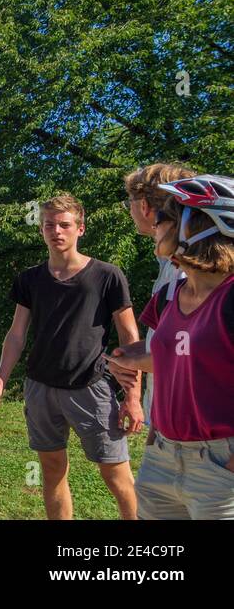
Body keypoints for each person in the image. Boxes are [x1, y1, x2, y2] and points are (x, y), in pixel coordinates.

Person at [0, 193, 143, 519]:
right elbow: (16, 334)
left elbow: (130, 337)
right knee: (52, 472)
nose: (57, 231)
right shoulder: (29, 279)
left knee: (116, 474)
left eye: (65, 225)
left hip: (91, 386)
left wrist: (133, 396)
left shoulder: (107, 275)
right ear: (41, 229)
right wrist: (0, 382)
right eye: (49, 225)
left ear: (80, 229)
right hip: (40, 388)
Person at [108, 175, 234, 519]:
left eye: (165, 215)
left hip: (219, 466)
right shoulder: (173, 295)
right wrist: (132, 359)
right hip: (162, 456)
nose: (155, 221)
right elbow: (186, 358)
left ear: (199, 225)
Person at [120, 163, 195, 443]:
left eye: (130, 202)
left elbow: (190, 356)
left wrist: (133, 361)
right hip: (168, 425)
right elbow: (172, 341)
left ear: (144, 207)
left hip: (195, 432)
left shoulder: (189, 271)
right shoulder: (169, 265)